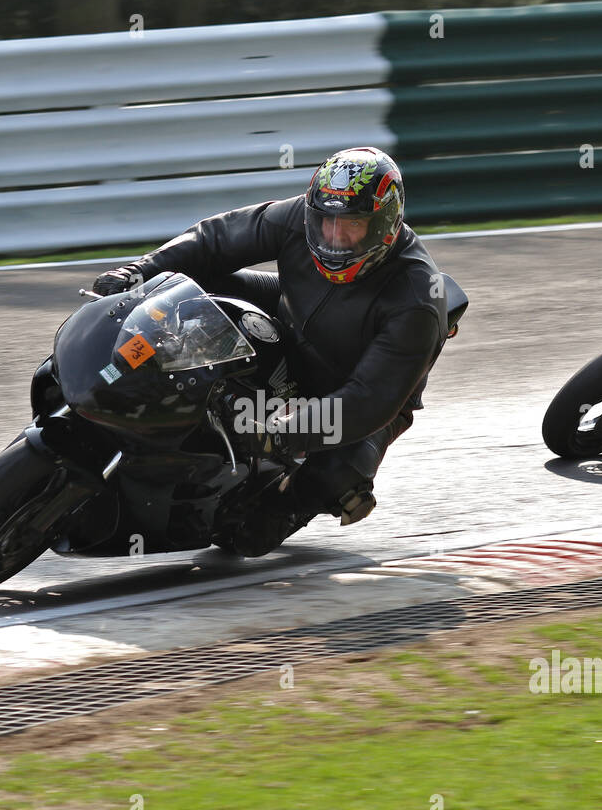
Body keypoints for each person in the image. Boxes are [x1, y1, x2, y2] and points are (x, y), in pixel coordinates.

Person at [91, 147, 450, 555]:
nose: (333, 236)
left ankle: (295, 498)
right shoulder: (299, 216)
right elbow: (216, 238)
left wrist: (280, 433)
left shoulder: (416, 298)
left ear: (385, 225)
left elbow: (367, 401)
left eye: (351, 225)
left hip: (359, 391)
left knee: (254, 533)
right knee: (194, 283)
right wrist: (141, 270)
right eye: (324, 221)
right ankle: (126, 377)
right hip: (292, 319)